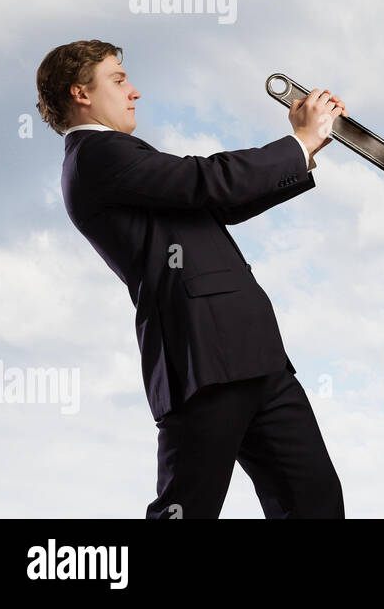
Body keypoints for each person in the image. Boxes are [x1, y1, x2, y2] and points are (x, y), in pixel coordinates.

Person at [36, 39, 346, 519]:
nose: (134, 91)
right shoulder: (94, 155)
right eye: (118, 80)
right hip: (203, 359)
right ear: (81, 93)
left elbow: (215, 201)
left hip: (252, 354)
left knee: (314, 502)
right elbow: (203, 180)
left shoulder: (115, 157)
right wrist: (298, 143)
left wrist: (304, 149)